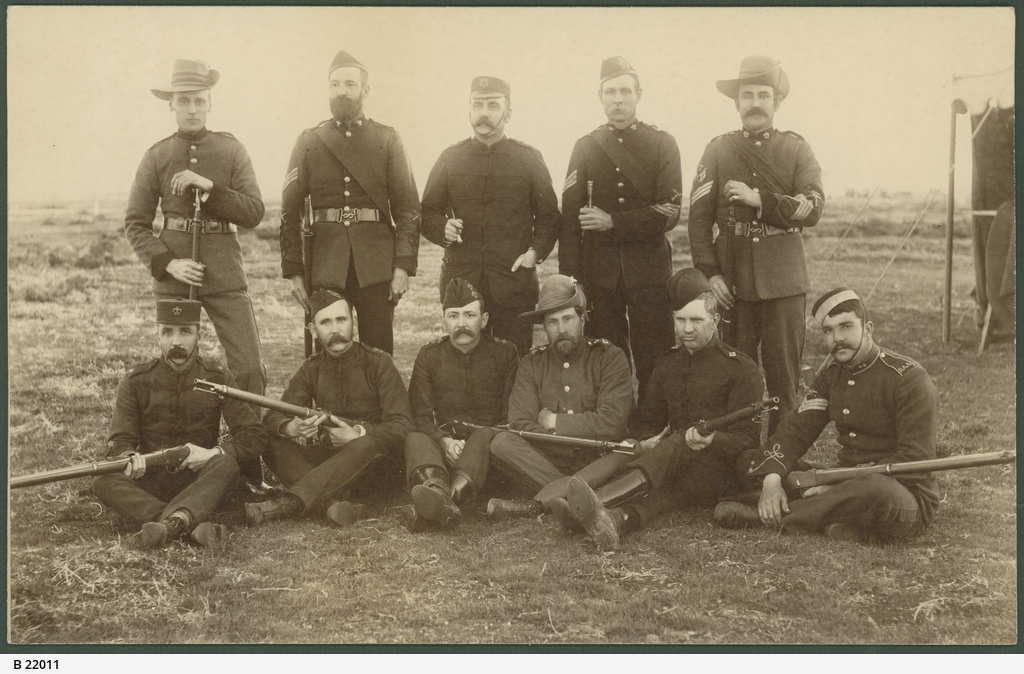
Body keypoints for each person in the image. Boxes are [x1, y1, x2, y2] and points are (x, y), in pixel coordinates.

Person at [714, 288, 940, 543]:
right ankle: (840, 524)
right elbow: (797, 428)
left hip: (901, 495)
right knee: (750, 460)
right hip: (842, 479)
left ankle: (762, 516)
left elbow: (914, 463)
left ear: (868, 329)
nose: (837, 339)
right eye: (828, 330)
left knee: (875, 490)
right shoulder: (833, 375)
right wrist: (772, 479)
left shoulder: (909, 379)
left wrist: (840, 485)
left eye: (846, 327)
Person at [559, 269, 764, 550]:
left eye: (696, 320)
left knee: (678, 443)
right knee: (667, 477)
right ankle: (614, 520)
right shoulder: (667, 364)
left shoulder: (740, 368)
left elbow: (750, 439)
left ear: (715, 320)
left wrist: (711, 439)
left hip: (722, 473)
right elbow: (649, 420)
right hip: (673, 471)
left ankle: (599, 500)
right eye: (680, 320)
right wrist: (648, 440)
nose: (687, 329)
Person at [124, 59, 267, 430]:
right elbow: (136, 223)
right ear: (171, 104)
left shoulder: (232, 150)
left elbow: (253, 212)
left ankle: (249, 463)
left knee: (249, 368)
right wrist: (167, 264)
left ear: (210, 103)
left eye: (199, 101)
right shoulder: (156, 155)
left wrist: (211, 188)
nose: (192, 109)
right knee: (176, 366)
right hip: (174, 277)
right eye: (184, 101)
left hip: (224, 274)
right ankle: (179, 453)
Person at [687, 56, 824, 434]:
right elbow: (698, 220)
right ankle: (738, 452)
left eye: (764, 95)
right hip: (732, 281)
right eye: (747, 95)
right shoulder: (717, 150)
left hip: (784, 280)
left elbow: (812, 208)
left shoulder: (797, 149)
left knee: (784, 378)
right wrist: (711, 274)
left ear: (777, 102)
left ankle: (781, 457)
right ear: (737, 103)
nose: (755, 103)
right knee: (736, 373)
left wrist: (760, 199)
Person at [93, 299, 267, 548]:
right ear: (157, 336)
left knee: (226, 465)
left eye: (185, 332)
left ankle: (165, 525)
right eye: (167, 332)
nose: (176, 342)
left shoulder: (217, 377)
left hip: (201, 479)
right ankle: (183, 522)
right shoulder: (135, 380)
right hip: (151, 480)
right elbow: (120, 439)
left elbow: (254, 435)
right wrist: (130, 456)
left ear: (199, 335)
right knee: (103, 479)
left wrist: (212, 454)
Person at [280, 50, 421, 355]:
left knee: (378, 352)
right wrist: (294, 272)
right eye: (334, 84)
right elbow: (290, 213)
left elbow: (408, 209)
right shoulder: (308, 141)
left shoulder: (388, 138)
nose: (341, 91)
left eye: (349, 84)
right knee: (329, 354)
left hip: (375, 265)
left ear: (365, 90)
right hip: (325, 264)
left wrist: (402, 267)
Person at [559, 56, 682, 403]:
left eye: (625, 90)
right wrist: (570, 281)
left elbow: (670, 211)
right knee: (606, 354)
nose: (618, 99)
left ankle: (654, 422)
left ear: (639, 94)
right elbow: (570, 219)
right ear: (599, 96)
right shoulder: (585, 146)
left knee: (655, 352)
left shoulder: (663, 143)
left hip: (650, 270)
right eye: (610, 91)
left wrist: (613, 221)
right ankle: (615, 421)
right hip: (599, 272)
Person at [420, 76, 562, 356]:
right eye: (477, 105)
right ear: (468, 110)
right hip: (461, 284)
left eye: (493, 106)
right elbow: (426, 213)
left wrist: (534, 253)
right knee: (465, 361)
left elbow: (549, 217)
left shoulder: (528, 158)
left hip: (513, 284)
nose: (484, 113)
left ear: (508, 113)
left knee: (514, 359)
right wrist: (443, 228)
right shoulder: (450, 158)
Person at [246, 290, 413, 526]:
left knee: (365, 443)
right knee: (271, 442)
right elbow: (274, 415)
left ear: (353, 322)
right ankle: (333, 505)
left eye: (341, 320)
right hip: (330, 461)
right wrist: (289, 427)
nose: (335, 329)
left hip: (375, 466)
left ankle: (289, 504)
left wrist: (358, 434)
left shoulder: (379, 363)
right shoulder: (312, 368)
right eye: (325, 322)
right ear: (313, 330)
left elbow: (404, 426)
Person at [486, 275, 634, 517]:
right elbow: (520, 423)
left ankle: (540, 503)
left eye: (568, 319)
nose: (561, 330)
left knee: (630, 449)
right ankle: (581, 495)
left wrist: (553, 421)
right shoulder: (532, 363)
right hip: (547, 460)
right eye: (552, 322)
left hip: (597, 459)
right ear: (544, 326)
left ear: (583, 319)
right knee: (502, 442)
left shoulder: (610, 357)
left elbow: (612, 424)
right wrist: (581, 427)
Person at [401, 278, 520, 531]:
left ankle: (439, 504)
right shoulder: (429, 355)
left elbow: (512, 416)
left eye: (469, 315)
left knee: (487, 434)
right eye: (453, 316)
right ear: (443, 320)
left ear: (484, 320)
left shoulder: (505, 354)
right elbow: (419, 415)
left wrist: (474, 443)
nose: (462, 324)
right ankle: (436, 491)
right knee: (414, 438)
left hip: (488, 457)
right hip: (445, 453)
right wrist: (444, 441)